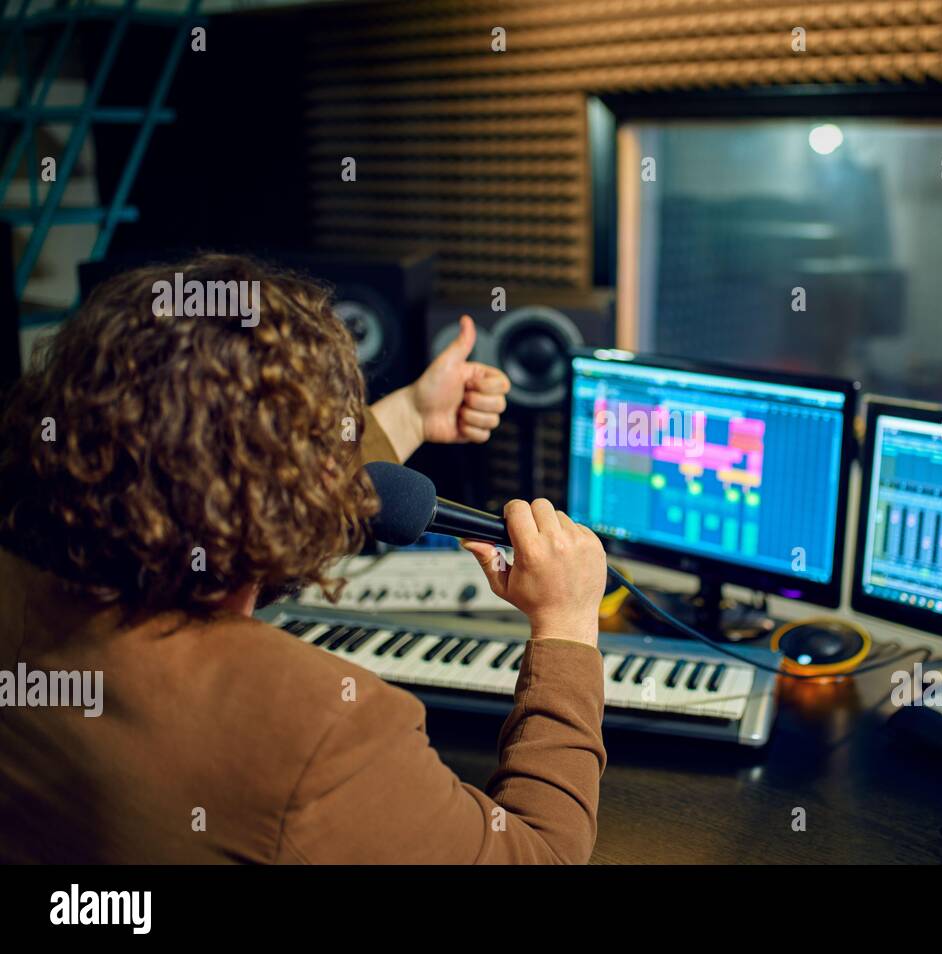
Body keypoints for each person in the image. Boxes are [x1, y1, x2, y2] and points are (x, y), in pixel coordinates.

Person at [0, 254, 609, 863]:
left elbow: (212, 474)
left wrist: (412, 415)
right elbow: (544, 857)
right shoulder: (314, 728)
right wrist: (567, 627)